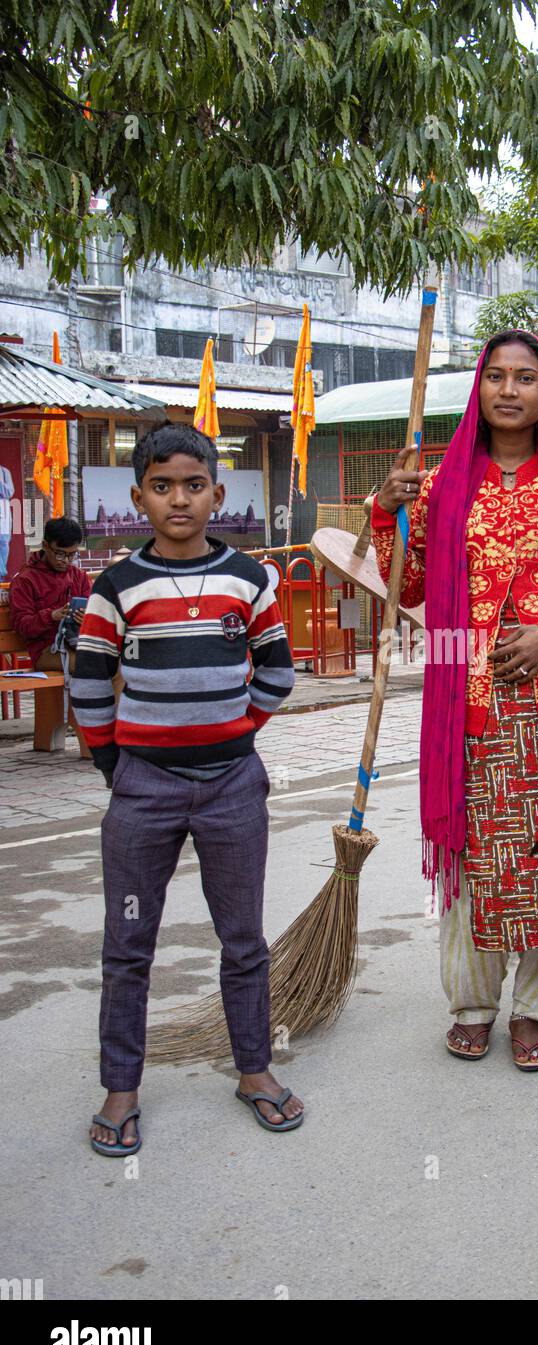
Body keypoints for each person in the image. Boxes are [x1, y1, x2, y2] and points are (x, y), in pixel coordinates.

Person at [371, 331, 538, 1070]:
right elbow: (410, 589)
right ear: (479, 389)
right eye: (495, 375)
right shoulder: (439, 485)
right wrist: (384, 514)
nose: (509, 389)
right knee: (475, 861)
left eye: (525, 377)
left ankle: (534, 1012)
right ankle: (470, 1005)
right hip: (471, 707)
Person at [70, 423, 301, 1155]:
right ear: (138, 496)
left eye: (193, 485)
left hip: (234, 786)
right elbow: (87, 683)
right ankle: (121, 1087)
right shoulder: (115, 587)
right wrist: (117, 767)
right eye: (163, 486)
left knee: (242, 939)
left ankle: (255, 1070)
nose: (179, 499)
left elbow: (277, 672)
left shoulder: (250, 579)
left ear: (217, 494)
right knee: (128, 943)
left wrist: (237, 735)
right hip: (143, 790)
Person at [8, 516, 91, 669]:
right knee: (94, 665)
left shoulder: (79, 576)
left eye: (72, 555)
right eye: (60, 554)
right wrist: (51, 616)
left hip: (79, 643)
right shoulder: (25, 580)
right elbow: (22, 626)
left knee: (121, 661)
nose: (66, 560)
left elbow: (96, 616)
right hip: (45, 650)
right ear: (45, 545)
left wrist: (87, 617)